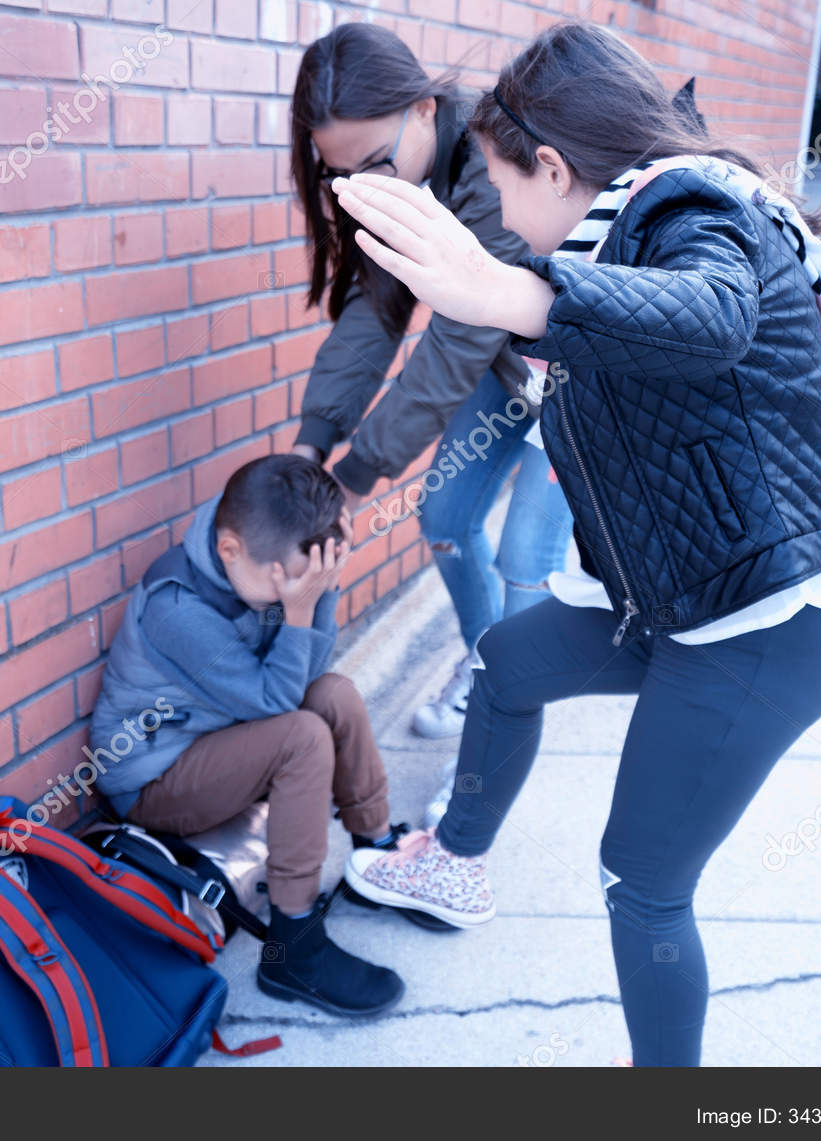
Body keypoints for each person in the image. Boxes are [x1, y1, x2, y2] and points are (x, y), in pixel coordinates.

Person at [331, 22, 821, 1064]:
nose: (501, 221)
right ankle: (452, 863)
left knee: (642, 884)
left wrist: (509, 295)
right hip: (674, 594)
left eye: (502, 192)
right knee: (503, 661)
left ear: (553, 167)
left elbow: (713, 314)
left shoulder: (687, 206)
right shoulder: (609, 246)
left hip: (765, 625)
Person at [288, 22, 573, 739]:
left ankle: (496, 742)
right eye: (339, 174)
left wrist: (356, 474)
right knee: (446, 519)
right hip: (507, 369)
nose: (359, 186)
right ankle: (488, 668)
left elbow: (459, 339)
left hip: (576, 378)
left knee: (525, 560)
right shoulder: (395, 180)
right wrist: (311, 443)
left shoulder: (492, 159)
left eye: (375, 162)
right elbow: (373, 316)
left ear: (422, 109)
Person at [88, 454, 418, 1018]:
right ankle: (293, 944)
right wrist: (303, 606)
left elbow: (309, 676)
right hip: (154, 780)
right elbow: (277, 703)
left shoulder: (257, 567)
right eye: (288, 582)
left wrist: (321, 590)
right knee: (302, 737)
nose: (296, 590)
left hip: (219, 735)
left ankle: (376, 854)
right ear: (230, 550)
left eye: (308, 576)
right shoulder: (177, 609)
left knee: (334, 693)